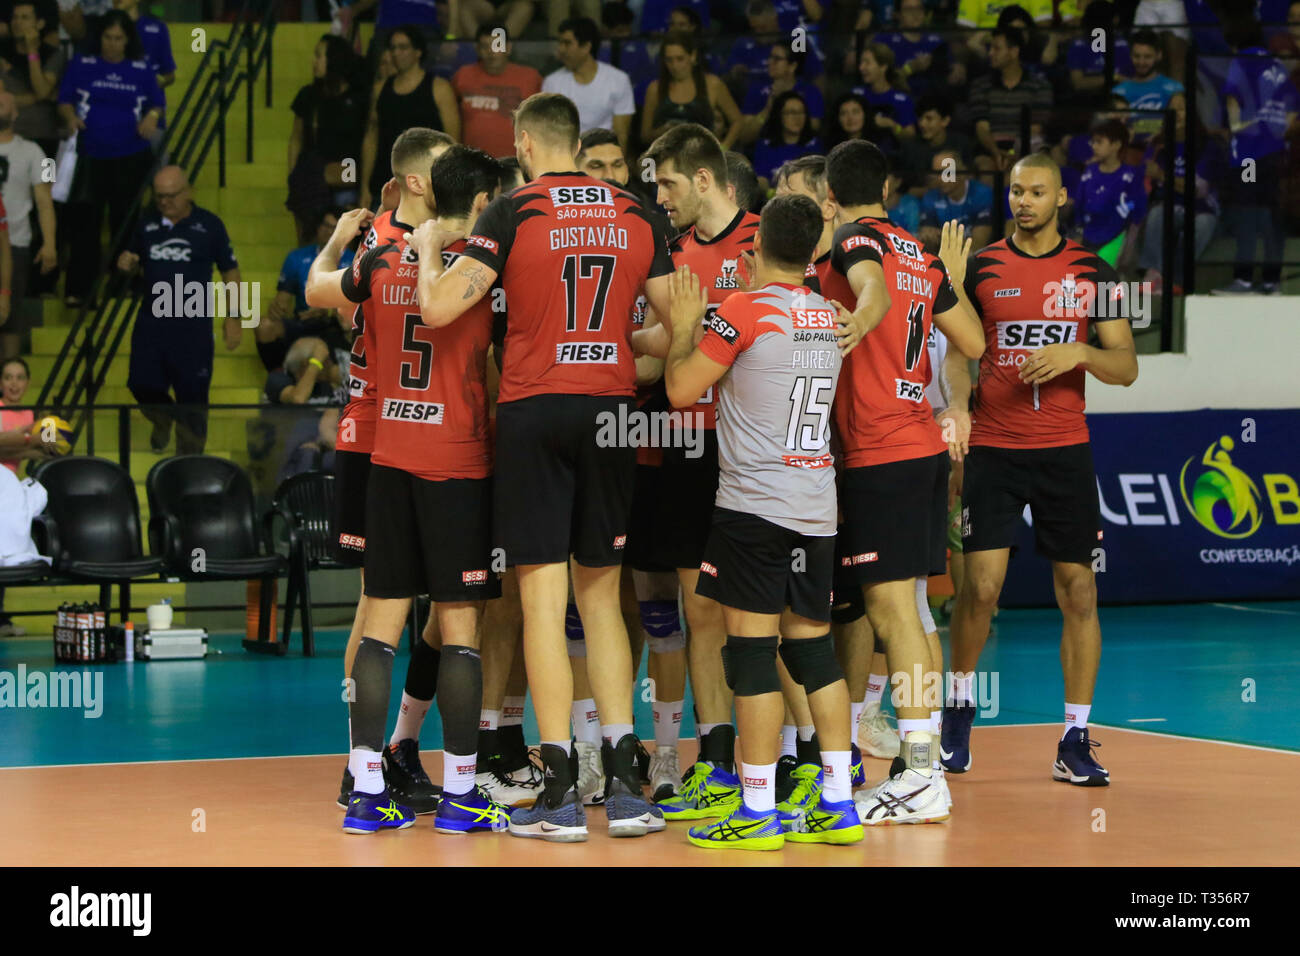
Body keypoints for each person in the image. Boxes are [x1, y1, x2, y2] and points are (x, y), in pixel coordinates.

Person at [411, 91, 673, 842]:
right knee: (603, 599)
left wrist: (430, 249)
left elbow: (438, 310)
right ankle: (626, 779)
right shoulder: (635, 213)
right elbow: (666, 326)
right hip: (612, 411)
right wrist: (625, 345)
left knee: (538, 604)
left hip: (534, 414)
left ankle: (557, 788)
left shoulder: (513, 211)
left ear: (524, 142)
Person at [650, 194, 863, 850]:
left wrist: (687, 324)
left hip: (754, 510)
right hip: (816, 507)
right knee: (812, 651)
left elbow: (681, 389)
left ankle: (759, 809)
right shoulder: (830, 314)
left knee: (749, 656)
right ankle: (837, 801)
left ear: (755, 245)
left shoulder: (744, 310)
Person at [942, 152, 1139, 788]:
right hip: (995, 449)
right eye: (1016, 191)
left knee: (1079, 590)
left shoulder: (1094, 272)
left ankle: (1074, 737)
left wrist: (1078, 350)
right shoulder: (980, 266)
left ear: (1061, 199)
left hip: (1063, 451)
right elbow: (954, 353)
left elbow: (1126, 366)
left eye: (1036, 192)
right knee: (980, 590)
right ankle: (959, 707)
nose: (1023, 201)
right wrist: (956, 406)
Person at [338, 144, 513, 835]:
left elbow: (353, 318)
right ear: (478, 202)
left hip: (389, 457)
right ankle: (464, 793)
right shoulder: (480, 271)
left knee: (381, 623)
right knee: (461, 627)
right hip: (456, 463)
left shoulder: (378, 260)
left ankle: (365, 788)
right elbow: (496, 365)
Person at [819, 139, 986, 825]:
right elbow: (973, 342)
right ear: (886, 187)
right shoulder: (919, 251)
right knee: (909, 615)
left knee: (893, 615)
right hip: (922, 444)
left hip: (881, 452)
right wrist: (948, 279)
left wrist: (861, 317)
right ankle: (922, 765)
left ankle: (919, 772)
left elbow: (873, 287)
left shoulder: (855, 239)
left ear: (830, 197)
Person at [306, 127, 454, 815]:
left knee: (431, 604)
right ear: (419, 181)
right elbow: (320, 295)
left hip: (427, 439)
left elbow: (320, 293)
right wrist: (341, 241)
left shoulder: (436, 245)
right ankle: (356, 761)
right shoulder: (388, 246)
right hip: (374, 437)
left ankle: (394, 748)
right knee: (379, 603)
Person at [634, 122, 759, 819]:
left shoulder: (765, 242)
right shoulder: (670, 255)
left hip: (756, 451)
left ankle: (800, 760)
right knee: (699, 609)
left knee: (766, 612)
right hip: (685, 444)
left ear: (705, 179)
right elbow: (653, 351)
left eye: (669, 184)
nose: (660, 197)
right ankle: (714, 760)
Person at [116, 166, 241, 455]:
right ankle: (164, 420)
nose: (165, 202)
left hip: (192, 323)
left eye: (171, 196)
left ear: (188, 192)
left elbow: (231, 271)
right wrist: (128, 264)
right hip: (152, 320)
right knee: (140, 384)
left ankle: (189, 466)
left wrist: (234, 317)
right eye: (159, 197)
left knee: (194, 399)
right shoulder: (146, 225)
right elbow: (133, 261)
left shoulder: (209, 225)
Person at [56, 9, 161, 307]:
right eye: (108, 37)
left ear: (128, 40)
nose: (113, 44)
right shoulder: (82, 64)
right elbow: (64, 101)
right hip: (90, 154)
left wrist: (151, 118)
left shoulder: (141, 69)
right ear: (99, 37)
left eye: (119, 38)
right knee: (85, 222)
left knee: (125, 221)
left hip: (131, 154)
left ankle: (124, 284)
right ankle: (81, 289)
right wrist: (71, 117)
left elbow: (158, 104)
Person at [1213, 14, 1299, 295]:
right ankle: (1272, 281)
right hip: (1275, 154)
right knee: (1272, 215)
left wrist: (1237, 127)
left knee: (1248, 212)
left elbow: (1232, 97)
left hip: (1250, 155)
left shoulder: (1244, 59)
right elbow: (1290, 116)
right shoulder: (1277, 65)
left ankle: (1245, 279)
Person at [360, 26, 458, 211]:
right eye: (393, 47)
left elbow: (453, 143)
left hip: (427, 186)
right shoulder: (380, 88)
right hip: (385, 185)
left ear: (418, 52)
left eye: (403, 47)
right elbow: (371, 137)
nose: (396, 53)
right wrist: (364, 185)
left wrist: (447, 186)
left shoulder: (439, 88)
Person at [1140, 94, 1225, 294]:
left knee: (1202, 224)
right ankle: (1154, 274)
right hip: (1167, 206)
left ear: (1192, 114)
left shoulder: (1207, 145)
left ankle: (1177, 279)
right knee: (1157, 214)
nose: (1177, 114)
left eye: (1182, 109)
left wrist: (1161, 175)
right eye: (1173, 109)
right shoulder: (1158, 145)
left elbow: (1197, 189)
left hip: (1202, 209)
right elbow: (1145, 179)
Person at [287, 34, 367, 242]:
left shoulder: (359, 98)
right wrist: (294, 174)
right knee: (310, 238)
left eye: (319, 56)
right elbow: (296, 138)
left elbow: (365, 141)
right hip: (312, 176)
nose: (314, 61)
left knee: (346, 241)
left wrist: (356, 179)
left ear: (335, 59)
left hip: (347, 175)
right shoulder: (308, 95)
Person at [262, 208, 353, 373]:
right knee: (265, 326)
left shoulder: (355, 260)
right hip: (303, 319)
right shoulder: (296, 258)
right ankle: (278, 376)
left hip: (337, 324)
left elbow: (357, 304)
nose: (329, 231)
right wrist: (278, 308)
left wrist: (328, 312)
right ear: (317, 228)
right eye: (326, 226)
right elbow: (283, 299)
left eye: (335, 227)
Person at [0, 92, 55, 360]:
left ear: (16, 113)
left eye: (4, 99)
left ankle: (7, 390)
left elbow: (46, 200)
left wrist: (50, 243)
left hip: (17, 243)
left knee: (12, 317)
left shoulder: (35, 151)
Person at [541, 17, 635, 152]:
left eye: (567, 43)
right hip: (567, 160)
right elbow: (549, 133)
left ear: (586, 47)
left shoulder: (618, 80)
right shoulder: (552, 82)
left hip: (605, 158)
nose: (560, 49)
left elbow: (621, 134)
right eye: (560, 43)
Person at [968, 26, 1053, 171]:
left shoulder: (1039, 86)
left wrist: (1016, 156)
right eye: (990, 48)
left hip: (1028, 146)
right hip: (991, 148)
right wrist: (996, 152)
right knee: (985, 167)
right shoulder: (980, 86)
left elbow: (1035, 128)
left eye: (996, 49)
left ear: (1014, 52)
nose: (990, 53)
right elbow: (982, 128)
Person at [452, 23, 542, 160]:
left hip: (518, 163)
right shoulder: (462, 76)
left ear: (508, 48)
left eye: (497, 45)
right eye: (484, 46)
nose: (491, 51)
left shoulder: (531, 77)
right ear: (477, 49)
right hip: (471, 163)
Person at [640, 32, 742, 149]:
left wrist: (723, 149)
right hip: (667, 157)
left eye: (680, 59)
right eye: (669, 60)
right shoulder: (655, 89)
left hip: (703, 157)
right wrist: (662, 132)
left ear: (693, 56)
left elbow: (737, 121)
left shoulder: (713, 84)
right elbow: (645, 135)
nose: (674, 65)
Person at [1076, 118, 1146, 268]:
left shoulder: (1130, 176)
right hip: (1088, 235)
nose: (1094, 146)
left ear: (1116, 145)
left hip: (1116, 235)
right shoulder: (1089, 171)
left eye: (1099, 142)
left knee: (1103, 280)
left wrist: (1130, 242)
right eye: (1093, 142)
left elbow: (1138, 210)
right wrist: (1078, 230)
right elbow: (1079, 203)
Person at [0, 1, 66, 159]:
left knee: (47, 181)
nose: (17, 22)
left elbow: (42, 89)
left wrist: (32, 51)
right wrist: (38, 98)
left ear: (40, 23)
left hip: (46, 140)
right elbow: (43, 94)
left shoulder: (54, 54)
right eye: (15, 17)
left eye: (25, 18)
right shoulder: (2, 52)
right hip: (8, 140)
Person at [740, 44, 824, 145]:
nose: (769, 62)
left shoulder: (810, 92)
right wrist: (768, 109)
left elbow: (814, 128)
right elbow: (745, 136)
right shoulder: (756, 90)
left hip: (802, 149)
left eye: (777, 59)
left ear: (792, 66)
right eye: (770, 57)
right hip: (767, 149)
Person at [1112, 30, 1184, 146]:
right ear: (1130, 56)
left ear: (1158, 56)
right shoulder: (1118, 91)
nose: (1141, 62)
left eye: (1147, 57)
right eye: (1137, 56)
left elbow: (1179, 123)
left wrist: (1158, 134)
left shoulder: (1173, 88)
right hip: (1129, 151)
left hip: (1163, 151)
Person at [918, 148, 994, 254]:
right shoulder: (930, 197)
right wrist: (928, 236)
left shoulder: (983, 195)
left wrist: (942, 235)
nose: (940, 178)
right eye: (937, 173)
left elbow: (978, 245)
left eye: (947, 173)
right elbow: (928, 240)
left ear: (962, 173)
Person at [850, 43, 916, 155]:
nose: (861, 67)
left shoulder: (901, 100)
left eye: (867, 62)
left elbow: (910, 135)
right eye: (861, 62)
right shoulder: (856, 95)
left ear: (883, 66)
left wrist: (892, 125)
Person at [898, 94, 974, 191]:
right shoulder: (909, 147)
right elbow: (904, 189)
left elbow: (968, 180)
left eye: (929, 119)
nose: (922, 124)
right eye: (920, 118)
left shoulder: (961, 144)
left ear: (945, 121)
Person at [751, 90, 821, 191]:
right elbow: (761, 179)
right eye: (791, 113)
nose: (797, 118)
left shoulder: (815, 144)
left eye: (801, 112)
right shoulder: (765, 145)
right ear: (779, 115)